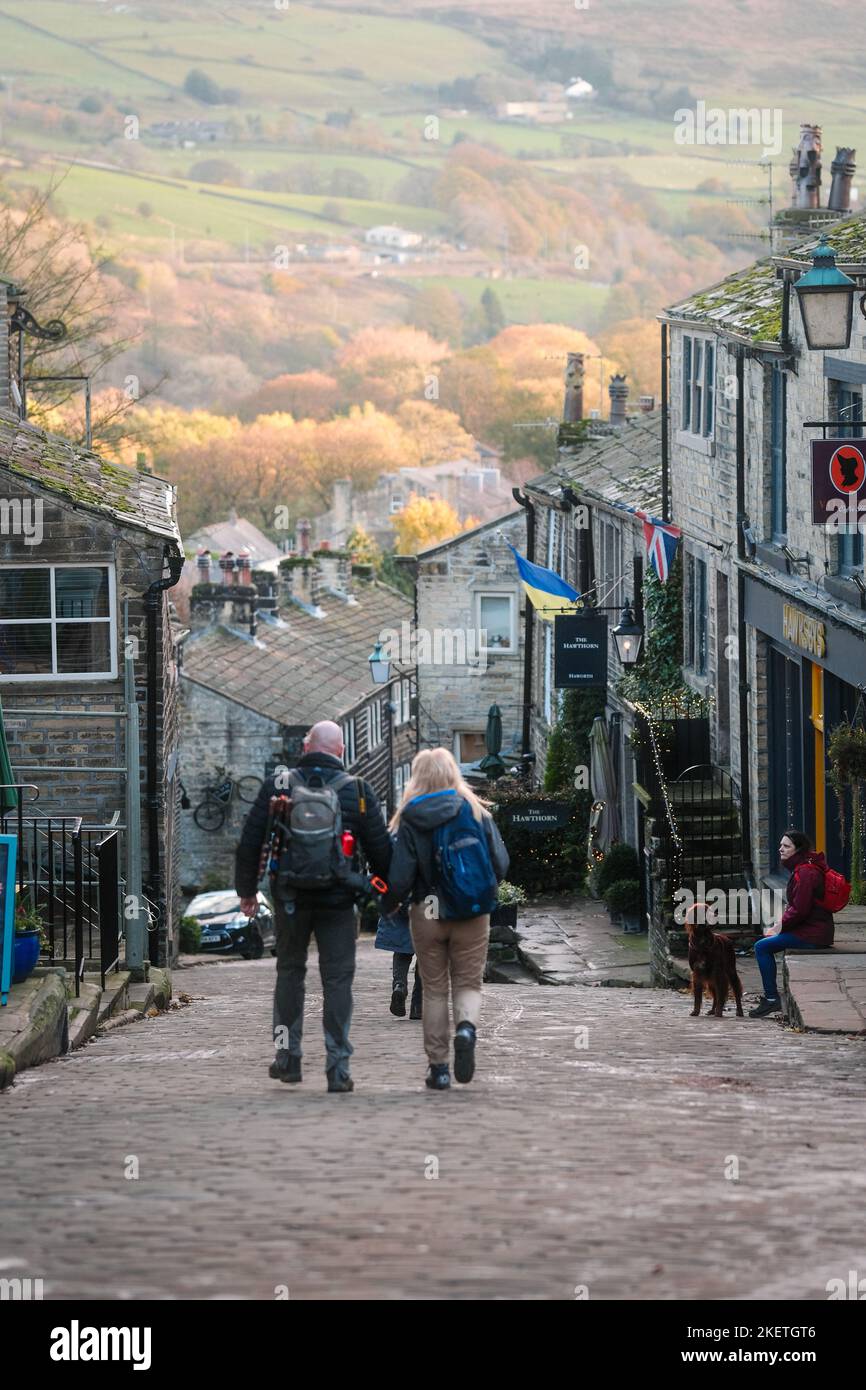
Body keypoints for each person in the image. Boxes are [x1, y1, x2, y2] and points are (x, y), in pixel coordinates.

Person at [235, 720, 392, 1092]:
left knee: (290, 974)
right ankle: (338, 1068)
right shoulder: (359, 791)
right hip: (340, 901)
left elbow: (251, 840)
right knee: (337, 981)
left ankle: (287, 1059)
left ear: (307, 747)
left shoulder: (279, 785)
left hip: (290, 897)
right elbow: (382, 853)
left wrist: (247, 892)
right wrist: (392, 896)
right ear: (340, 751)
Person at [386, 748, 509, 1091]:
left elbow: (399, 876)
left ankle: (438, 1068)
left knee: (435, 989)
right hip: (471, 909)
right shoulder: (475, 810)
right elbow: (500, 863)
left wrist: (389, 904)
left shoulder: (410, 817)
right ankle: (466, 1029)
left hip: (427, 907)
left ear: (417, 777)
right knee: (468, 983)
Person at [750, 829, 835, 1018]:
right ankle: (771, 998)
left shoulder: (805, 872)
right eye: (781, 845)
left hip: (812, 934)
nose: (780, 849)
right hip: (812, 929)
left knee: (761, 947)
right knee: (765, 941)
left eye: (786, 846)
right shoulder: (802, 868)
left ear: (798, 849)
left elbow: (800, 910)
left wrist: (778, 927)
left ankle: (772, 999)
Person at [375, 904, 423, 1019]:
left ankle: (399, 985)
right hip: (428, 908)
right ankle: (418, 1006)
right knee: (425, 957)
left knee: (402, 951)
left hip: (402, 908)